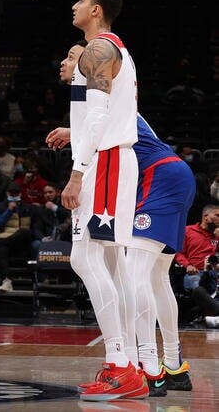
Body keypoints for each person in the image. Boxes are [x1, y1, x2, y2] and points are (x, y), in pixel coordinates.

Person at [49, 42, 197, 393]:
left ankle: (148, 368)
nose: (66, 62)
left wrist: (76, 153)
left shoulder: (104, 95)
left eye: (71, 56)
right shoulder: (108, 103)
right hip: (172, 175)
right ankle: (173, 366)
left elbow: (107, 133)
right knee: (157, 277)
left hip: (157, 178)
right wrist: (74, 133)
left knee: (132, 274)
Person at [51, 0, 146, 400]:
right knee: (108, 265)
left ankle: (122, 362)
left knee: (86, 259)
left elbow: (99, 118)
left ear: (96, 9)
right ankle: (126, 364)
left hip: (104, 163)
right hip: (112, 159)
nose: (73, 5)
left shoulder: (98, 49)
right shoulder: (109, 50)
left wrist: (77, 173)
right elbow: (96, 115)